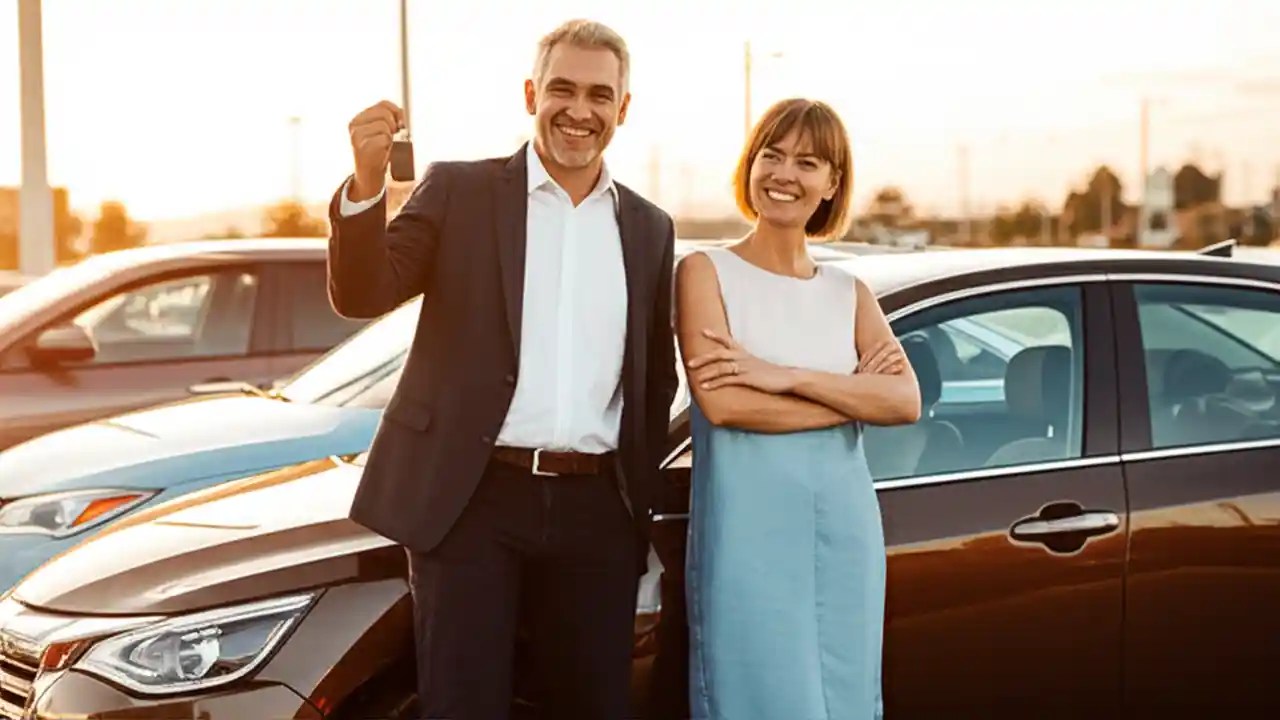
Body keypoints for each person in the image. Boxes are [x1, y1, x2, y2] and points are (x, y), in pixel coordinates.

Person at [327, 19, 678, 720]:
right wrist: (367, 186)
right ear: (530, 94)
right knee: (465, 705)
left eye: (600, 95)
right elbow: (364, 294)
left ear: (623, 109)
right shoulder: (461, 191)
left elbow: (652, 382)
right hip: (472, 502)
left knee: (594, 705)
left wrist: (631, 508)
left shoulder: (649, 227)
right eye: (562, 89)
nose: (580, 111)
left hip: (595, 512)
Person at [674, 98, 922, 719]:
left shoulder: (850, 291)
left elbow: (904, 399)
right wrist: (849, 398)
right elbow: (726, 404)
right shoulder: (704, 271)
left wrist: (782, 376)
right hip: (747, 530)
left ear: (831, 183)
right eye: (772, 155)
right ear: (750, 165)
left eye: (807, 162)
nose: (785, 174)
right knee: (756, 693)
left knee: (845, 696)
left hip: (845, 526)